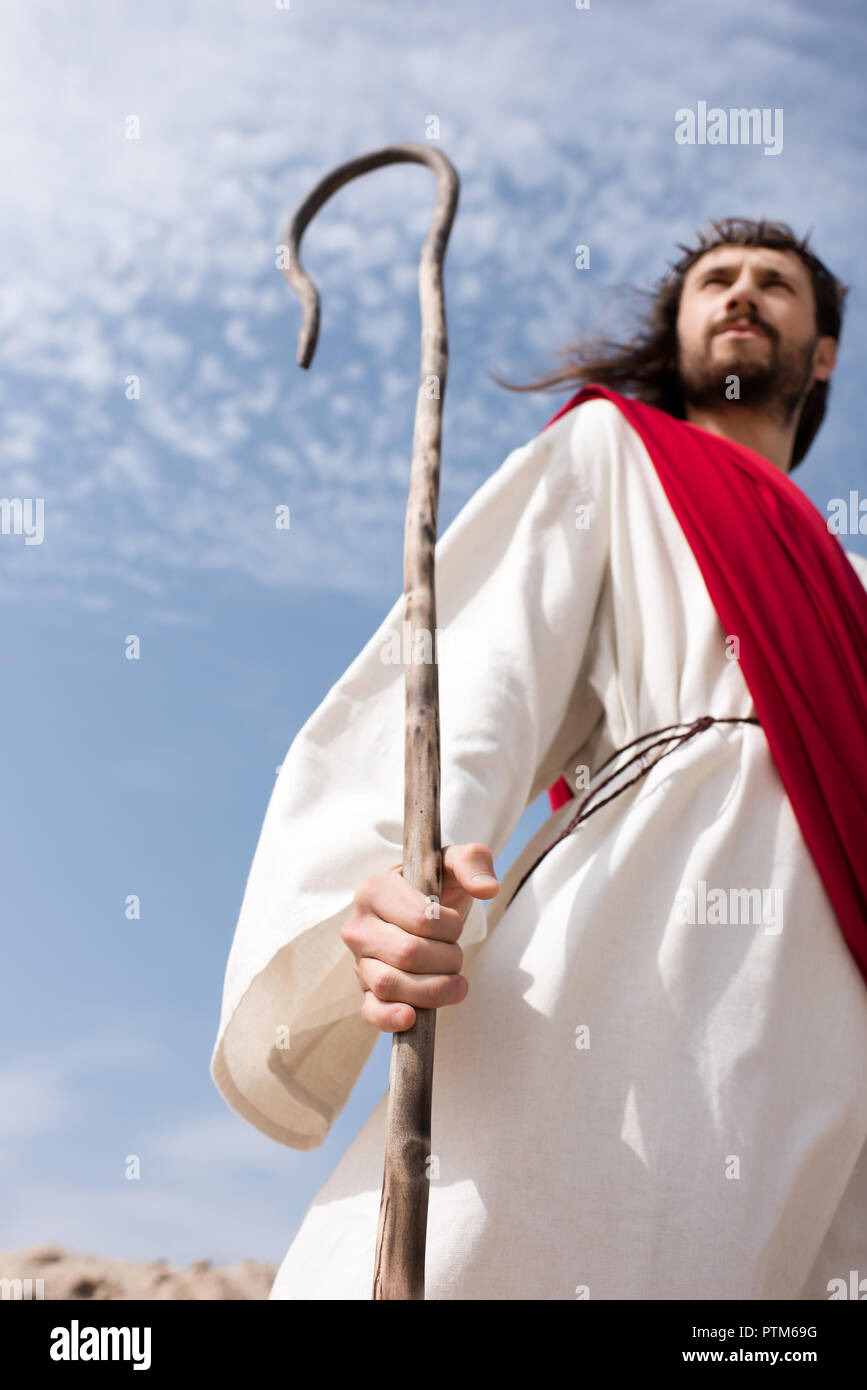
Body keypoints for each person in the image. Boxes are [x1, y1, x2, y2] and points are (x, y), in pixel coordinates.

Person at [210, 218, 867, 1300]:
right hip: (653, 932)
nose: (743, 293)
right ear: (683, 323)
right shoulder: (615, 451)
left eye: (775, 283)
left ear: (824, 350)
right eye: (717, 280)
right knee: (522, 1244)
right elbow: (476, 671)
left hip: (840, 1002)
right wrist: (386, 882)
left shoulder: (849, 581)